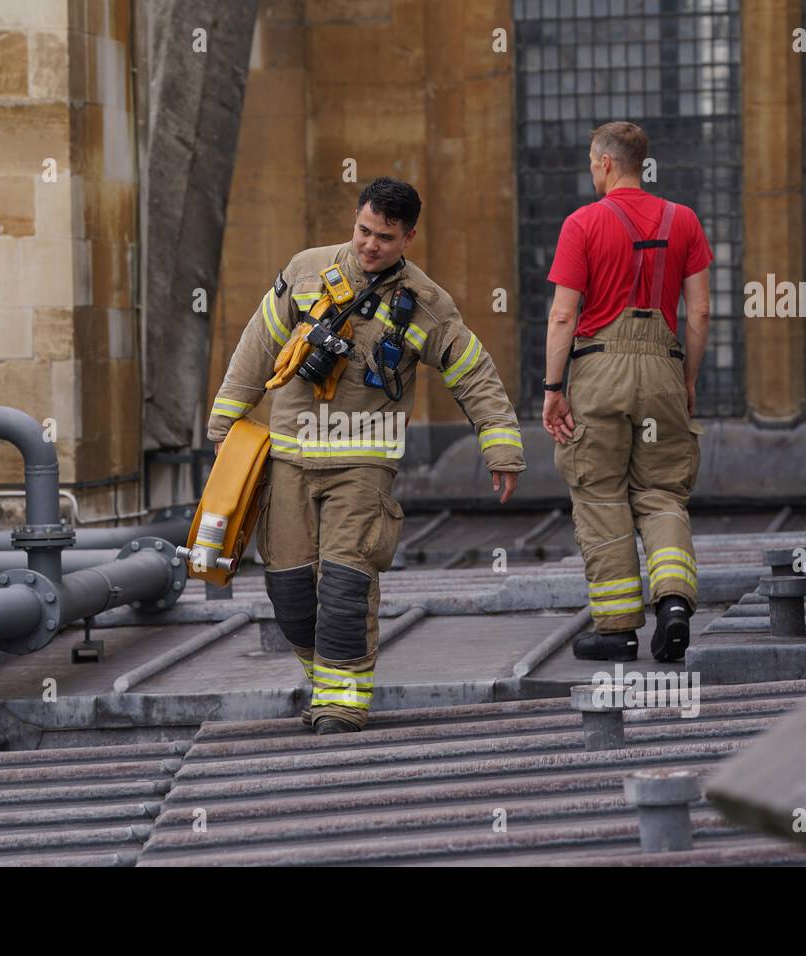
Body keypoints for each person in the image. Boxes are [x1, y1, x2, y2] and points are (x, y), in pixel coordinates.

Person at [207, 178, 525, 733]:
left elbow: (472, 372)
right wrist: (226, 418)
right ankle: (324, 682)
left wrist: (500, 444)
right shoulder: (306, 272)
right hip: (287, 460)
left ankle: (341, 705)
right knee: (287, 588)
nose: (371, 245)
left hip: (361, 467)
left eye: (385, 237)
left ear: (409, 238)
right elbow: (258, 343)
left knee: (347, 585)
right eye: (364, 230)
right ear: (355, 219)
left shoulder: (426, 304)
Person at [541, 122, 713, 663]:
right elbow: (702, 311)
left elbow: (564, 314)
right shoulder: (683, 220)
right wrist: (686, 379)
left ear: (606, 162)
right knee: (662, 493)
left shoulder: (582, 223)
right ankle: (676, 603)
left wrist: (552, 388)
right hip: (663, 369)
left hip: (599, 372)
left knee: (599, 493)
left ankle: (616, 630)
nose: (592, 171)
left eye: (593, 163)